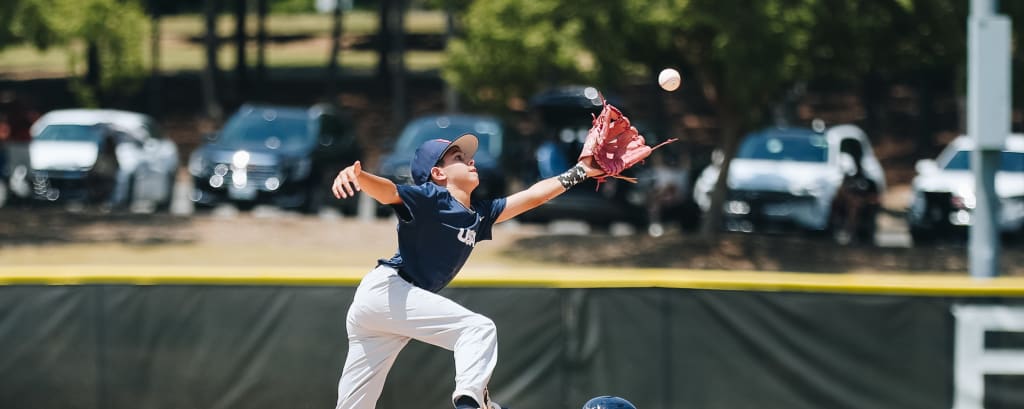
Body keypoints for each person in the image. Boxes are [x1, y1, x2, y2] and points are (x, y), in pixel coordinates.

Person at [330, 133, 603, 409]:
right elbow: (390, 192)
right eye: (458, 158)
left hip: (388, 306)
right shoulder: (432, 198)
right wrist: (360, 177)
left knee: (355, 404)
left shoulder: (480, 214)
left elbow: (533, 196)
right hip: (389, 292)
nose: (471, 161)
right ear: (438, 173)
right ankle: (469, 405)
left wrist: (581, 171)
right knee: (477, 329)